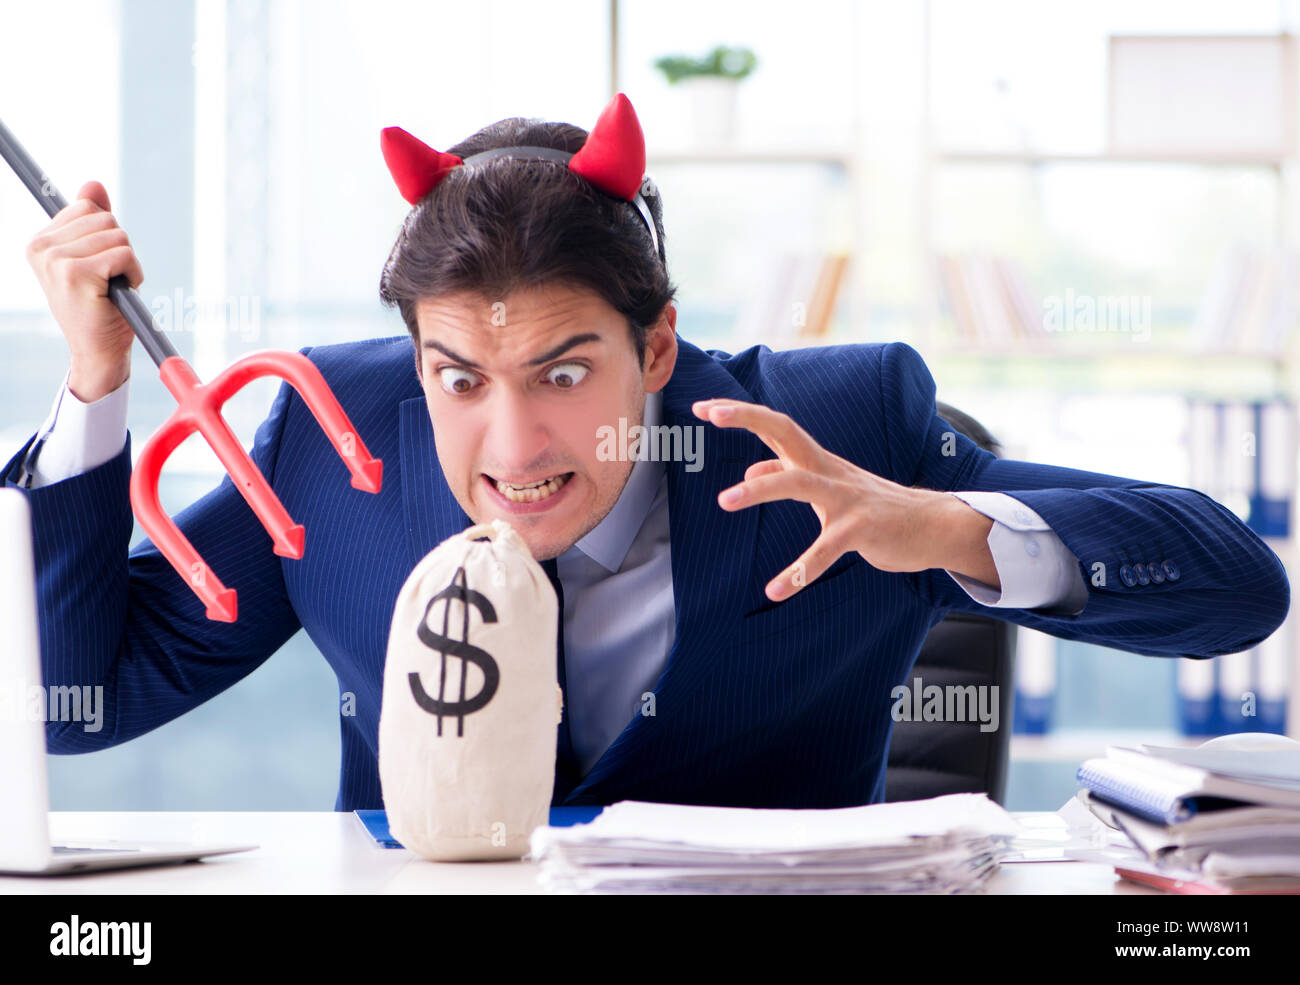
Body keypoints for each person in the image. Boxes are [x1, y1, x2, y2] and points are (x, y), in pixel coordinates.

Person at [5, 94, 1289, 811]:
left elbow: (1236, 585)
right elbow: (77, 696)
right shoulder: (337, 437)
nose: (511, 448)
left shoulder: (835, 431)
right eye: (460, 379)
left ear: (658, 347)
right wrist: (92, 390)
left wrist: (944, 526)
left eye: (565, 374)